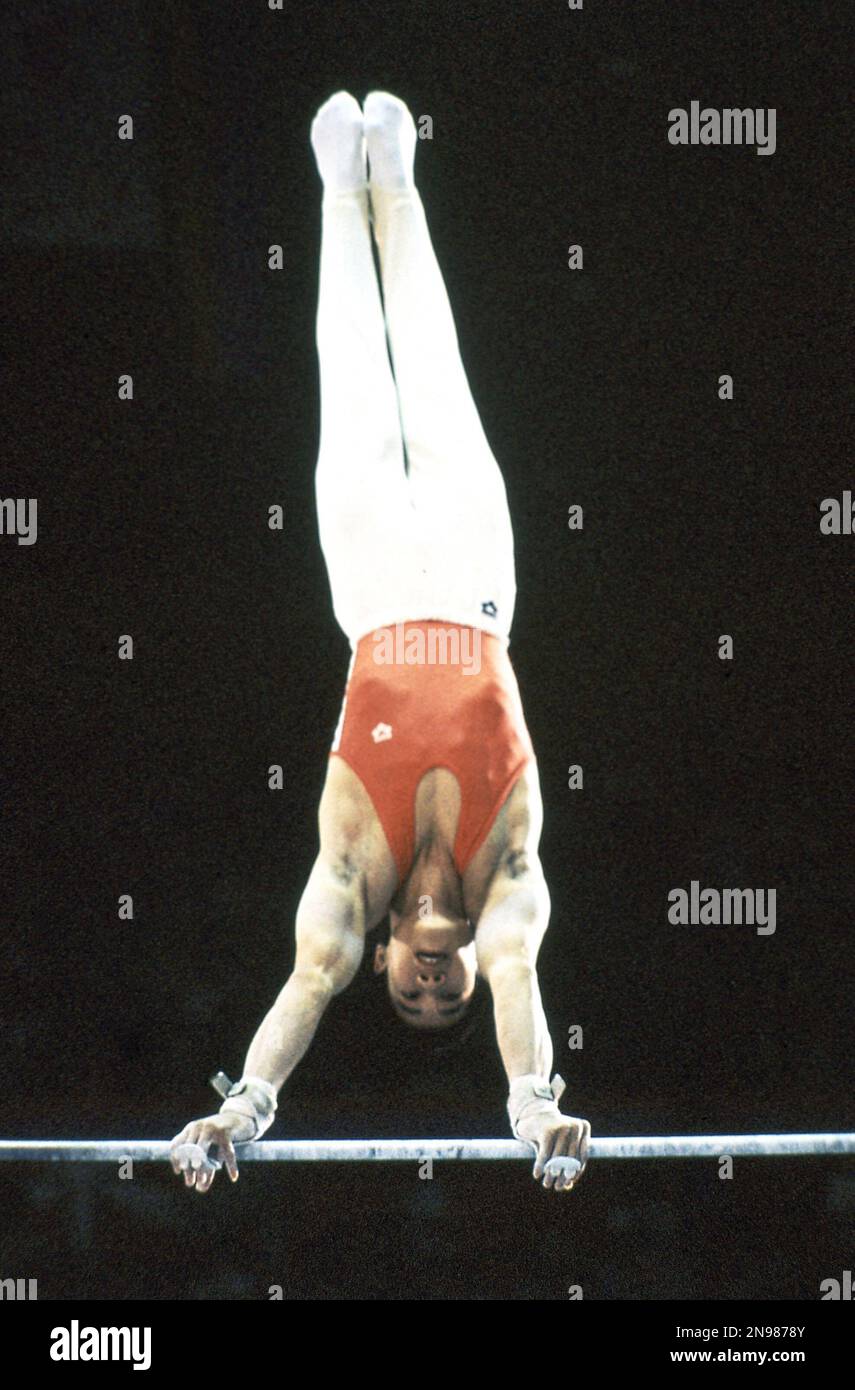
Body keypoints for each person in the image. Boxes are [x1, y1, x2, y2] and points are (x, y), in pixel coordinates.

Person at [170, 91, 590, 1195]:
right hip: (475, 588)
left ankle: (332, 182)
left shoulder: (349, 882)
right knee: (436, 358)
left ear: (388, 962)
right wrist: (532, 1102)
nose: (436, 978)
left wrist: (244, 1108)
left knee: (351, 363)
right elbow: (519, 981)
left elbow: (308, 981)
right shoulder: (510, 884)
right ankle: (395, 179)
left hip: (369, 592)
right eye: (444, 994)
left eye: (411, 987)